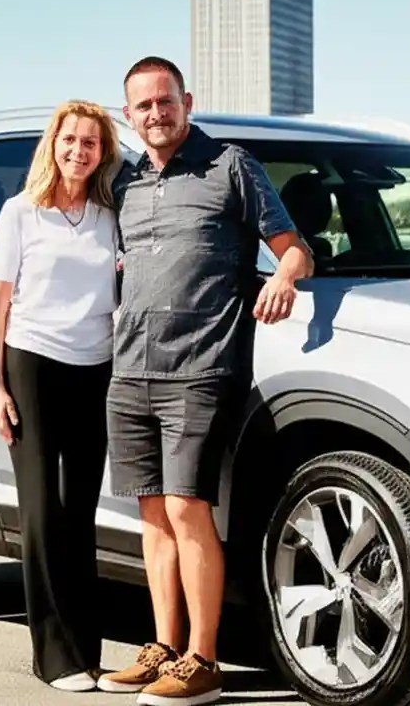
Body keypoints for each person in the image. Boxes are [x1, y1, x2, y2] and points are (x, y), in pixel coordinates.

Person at [94, 56, 313, 705]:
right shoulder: (126, 182)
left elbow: (294, 247)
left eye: (166, 101)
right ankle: (163, 649)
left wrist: (282, 278)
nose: (156, 114)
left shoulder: (230, 166)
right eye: (143, 106)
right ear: (128, 115)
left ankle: (204, 659)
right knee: (152, 514)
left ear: (186, 102)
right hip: (130, 370)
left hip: (201, 369)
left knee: (188, 508)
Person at [0, 99, 123, 692]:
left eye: (90, 143)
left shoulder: (109, 216)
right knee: (41, 510)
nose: (78, 151)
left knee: (79, 510)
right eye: (70, 140)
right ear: (54, 144)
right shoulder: (20, 213)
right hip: (32, 363)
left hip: (95, 367)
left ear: (102, 153)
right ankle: (53, 656)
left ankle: (87, 652)